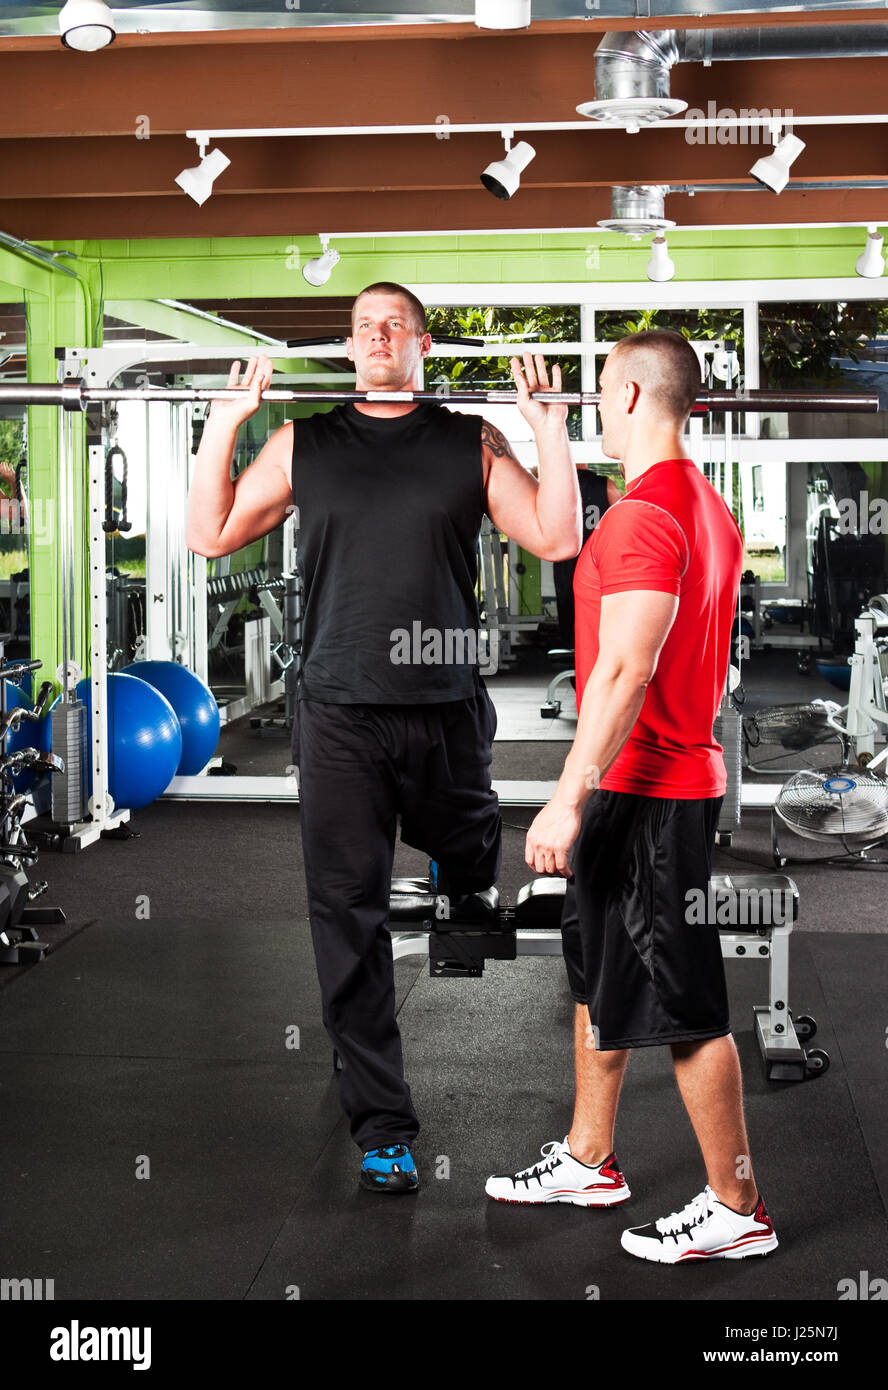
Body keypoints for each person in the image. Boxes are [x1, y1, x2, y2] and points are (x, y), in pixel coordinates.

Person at [185, 283, 582, 1194]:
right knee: (346, 912)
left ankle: (459, 870)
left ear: (422, 345)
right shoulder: (305, 443)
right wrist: (225, 423)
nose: (377, 335)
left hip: (444, 704)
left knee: (473, 852)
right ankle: (383, 1122)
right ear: (351, 345)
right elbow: (209, 533)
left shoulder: (466, 442)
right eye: (363, 325)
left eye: (394, 324)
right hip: (336, 713)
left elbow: (556, 536)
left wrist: (548, 428)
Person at [485, 329, 779, 1265]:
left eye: (600, 393)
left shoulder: (647, 517)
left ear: (631, 396)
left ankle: (737, 1207)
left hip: (646, 791)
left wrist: (566, 797)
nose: (594, 406)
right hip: (641, 786)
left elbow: (624, 669)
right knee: (596, 975)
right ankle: (589, 1156)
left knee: (685, 1007)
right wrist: (545, 435)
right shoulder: (700, 507)